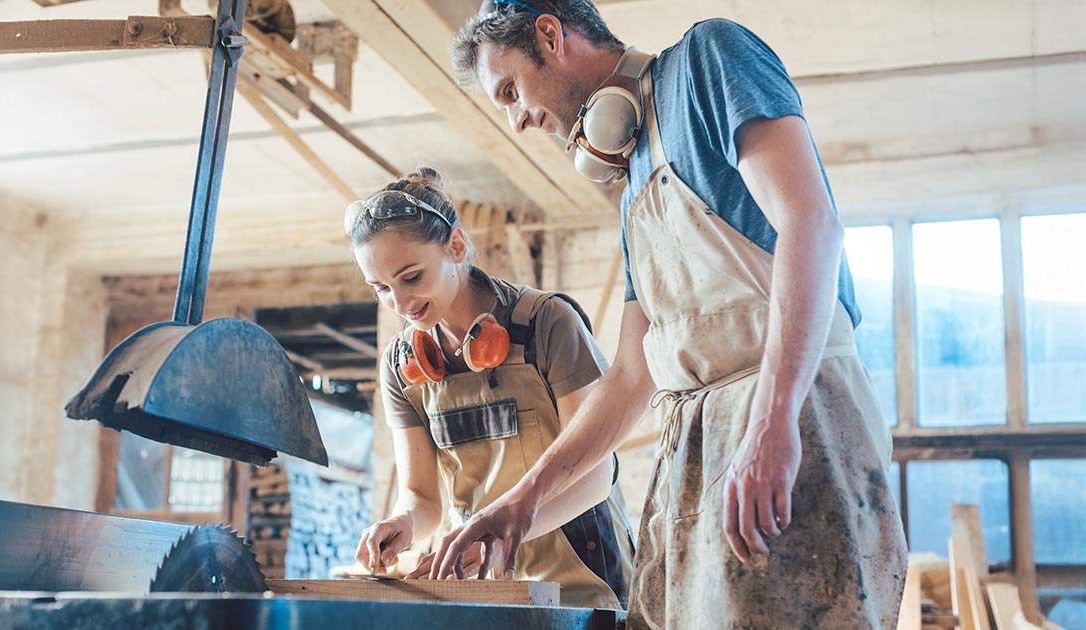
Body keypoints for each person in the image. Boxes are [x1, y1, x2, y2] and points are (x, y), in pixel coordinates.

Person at [429, 2, 908, 628]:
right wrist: (521, 500)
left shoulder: (709, 60)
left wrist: (773, 418)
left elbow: (811, 225)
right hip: (696, 449)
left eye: (512, 90)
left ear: (550, 34)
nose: (518, 119)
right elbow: (630, 377)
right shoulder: (632, 184)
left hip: (791, 411)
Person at [345, 167, 635, 610]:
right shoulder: (400, 366)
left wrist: (492, 540)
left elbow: (596, 475)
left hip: (581, 581)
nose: (400, 305)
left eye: (411, 277)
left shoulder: (546, 324)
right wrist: (404, 522)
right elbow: (424, 498)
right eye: (381, 288)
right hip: (482, 584)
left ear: (456, 246)